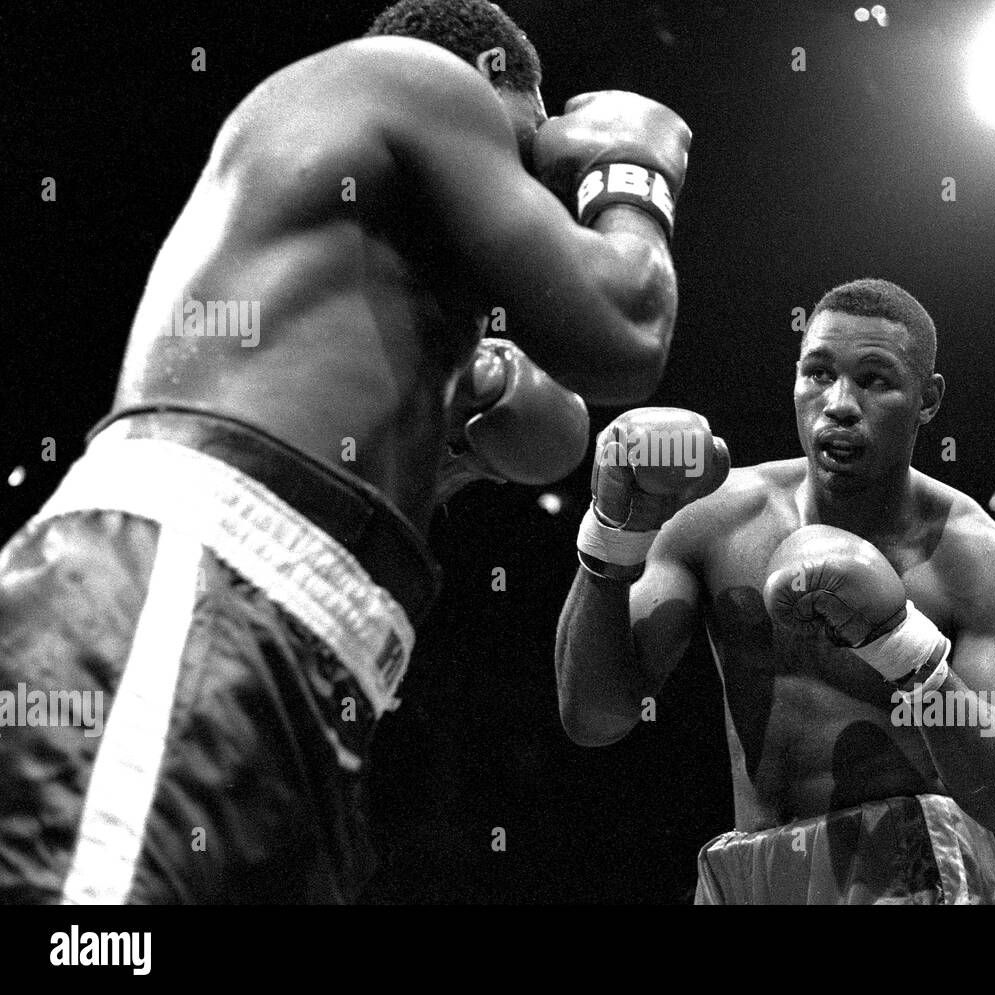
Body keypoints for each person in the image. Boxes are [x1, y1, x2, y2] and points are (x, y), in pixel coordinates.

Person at [0, 0, 691, 904]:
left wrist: (479, 376)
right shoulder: (418, 77)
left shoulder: (372, 295)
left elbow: (554, 432)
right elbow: (626, 328)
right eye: (528, 138)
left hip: (307, 655)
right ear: (491, 81)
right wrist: (631, 169)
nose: (530, 184)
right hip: (197, 568)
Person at [555, 278, 995, 904]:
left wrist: (906, 650)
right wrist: (614, 535)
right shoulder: (719, 520)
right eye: (818, 373)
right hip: (748, 877)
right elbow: (594, 717)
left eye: (875, 380)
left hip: (910, 871)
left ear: (928, 400)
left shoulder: (981, 563)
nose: (839, 404)